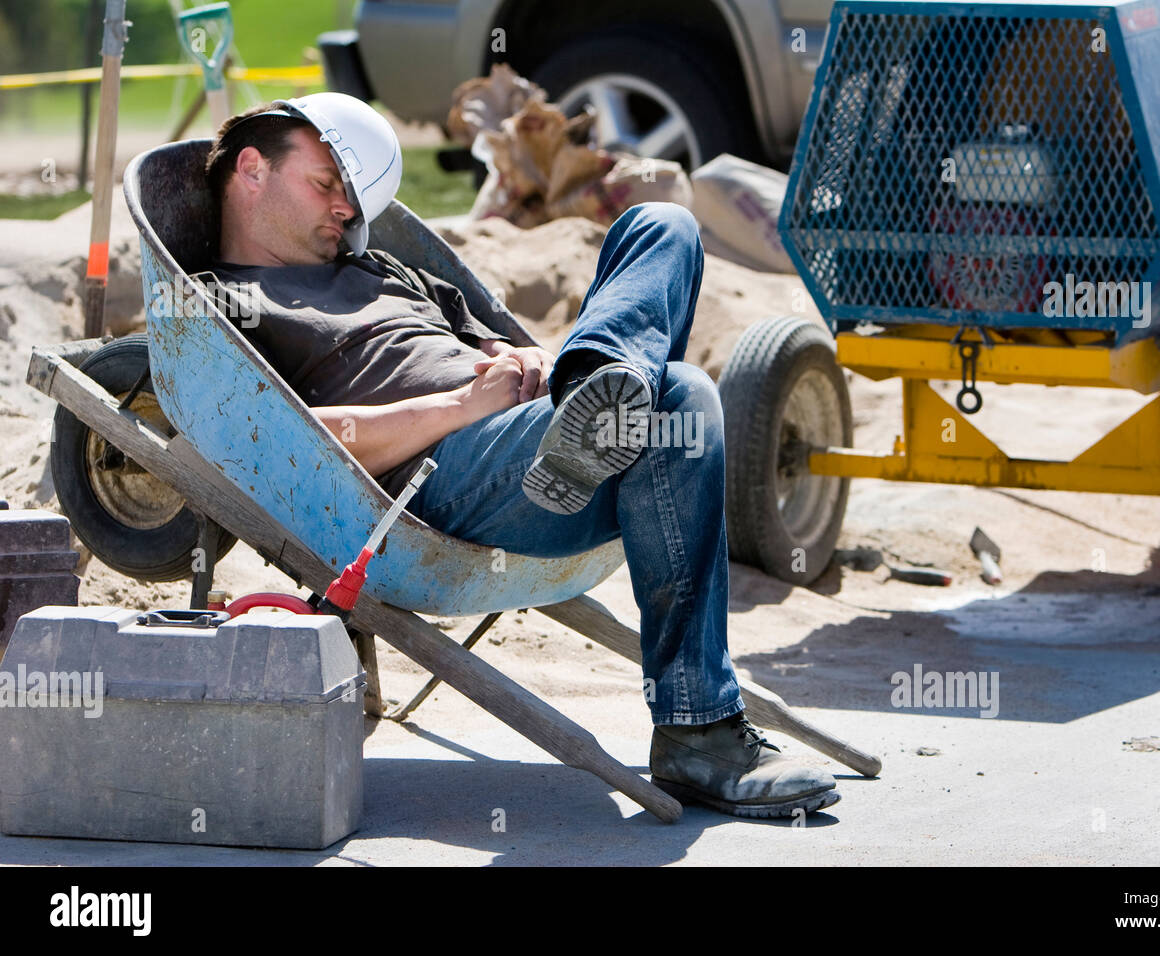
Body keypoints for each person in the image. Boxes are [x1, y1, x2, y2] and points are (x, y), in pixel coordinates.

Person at [201, 93, 840, 819]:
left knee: (662, 224)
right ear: (252, 170)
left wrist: (533, 361)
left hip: (541, 442)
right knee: (682, 393)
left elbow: (494, 338)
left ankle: (598, 385)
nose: (347, 211)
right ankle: (700, 729)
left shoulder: (380, 267)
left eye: (352, 196)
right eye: (326, 185)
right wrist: (458, 408)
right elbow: (286, 436)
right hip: (439, 480)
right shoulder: (223, 301)